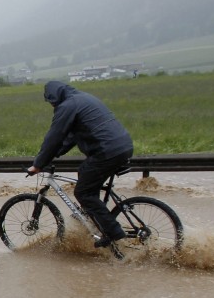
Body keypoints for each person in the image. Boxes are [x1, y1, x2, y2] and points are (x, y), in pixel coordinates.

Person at [27, 81, 134, 248]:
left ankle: (113, 232)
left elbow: (54, 137)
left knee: (83, 192)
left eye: (51, 102)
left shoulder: (67, 106)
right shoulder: (83, 98)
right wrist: (53, 155)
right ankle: (97, 221)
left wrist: (38, 164)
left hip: (106, 151)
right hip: (122, 146)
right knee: (85, 174)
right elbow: (70, 138)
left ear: (53, 98)